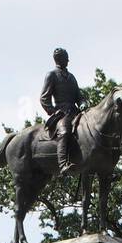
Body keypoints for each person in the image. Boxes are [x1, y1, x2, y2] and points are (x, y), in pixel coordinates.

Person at [41, 47, 82, 175]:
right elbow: (44, 98)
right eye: (65, 58)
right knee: (64, 132)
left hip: (75, 111)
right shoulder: (51, 75)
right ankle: (63, 164)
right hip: (61, 113)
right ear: (59, 59)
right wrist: (53, 111)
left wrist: (84, 103)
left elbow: (79, 96)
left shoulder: (72, 77)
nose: (68, 61)